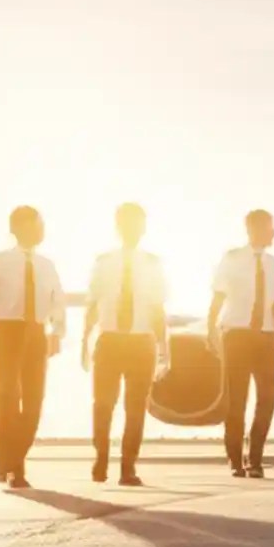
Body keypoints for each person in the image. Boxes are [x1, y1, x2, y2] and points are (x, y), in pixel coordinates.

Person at [0, 206, 66, 489]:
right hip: (6, 332)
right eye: (38, 224)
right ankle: (15, 469)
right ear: (19, 227)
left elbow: (57, 302)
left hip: (36, 333)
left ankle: (10, 459)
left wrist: (57, 333)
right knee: (8, 397)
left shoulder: (47, 265)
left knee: (34, 402)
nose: (42, 230)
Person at [81, 203, 168, 486]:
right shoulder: (103, 262)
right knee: (103, 404)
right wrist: (85, 339)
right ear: (118, 227)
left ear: (143, 228)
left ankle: (128, 467)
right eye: (128, 223)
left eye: (138, 224)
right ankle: (101, 458)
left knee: (135, 407)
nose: (133, 229)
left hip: (141, 341)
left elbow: (158, 308)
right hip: (110, 340)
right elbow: (92, 303)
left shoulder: (154, 264)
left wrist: (165, 348)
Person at [208, 209, 274, 479]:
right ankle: (235, 460)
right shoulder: (232, 259)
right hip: (237, 334)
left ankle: (255, 459)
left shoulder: (272, 263)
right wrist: (210, 329)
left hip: (265, 336)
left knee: (267, 399)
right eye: (269, 228)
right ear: (253, 228)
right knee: (237, 401)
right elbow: (218, 297)